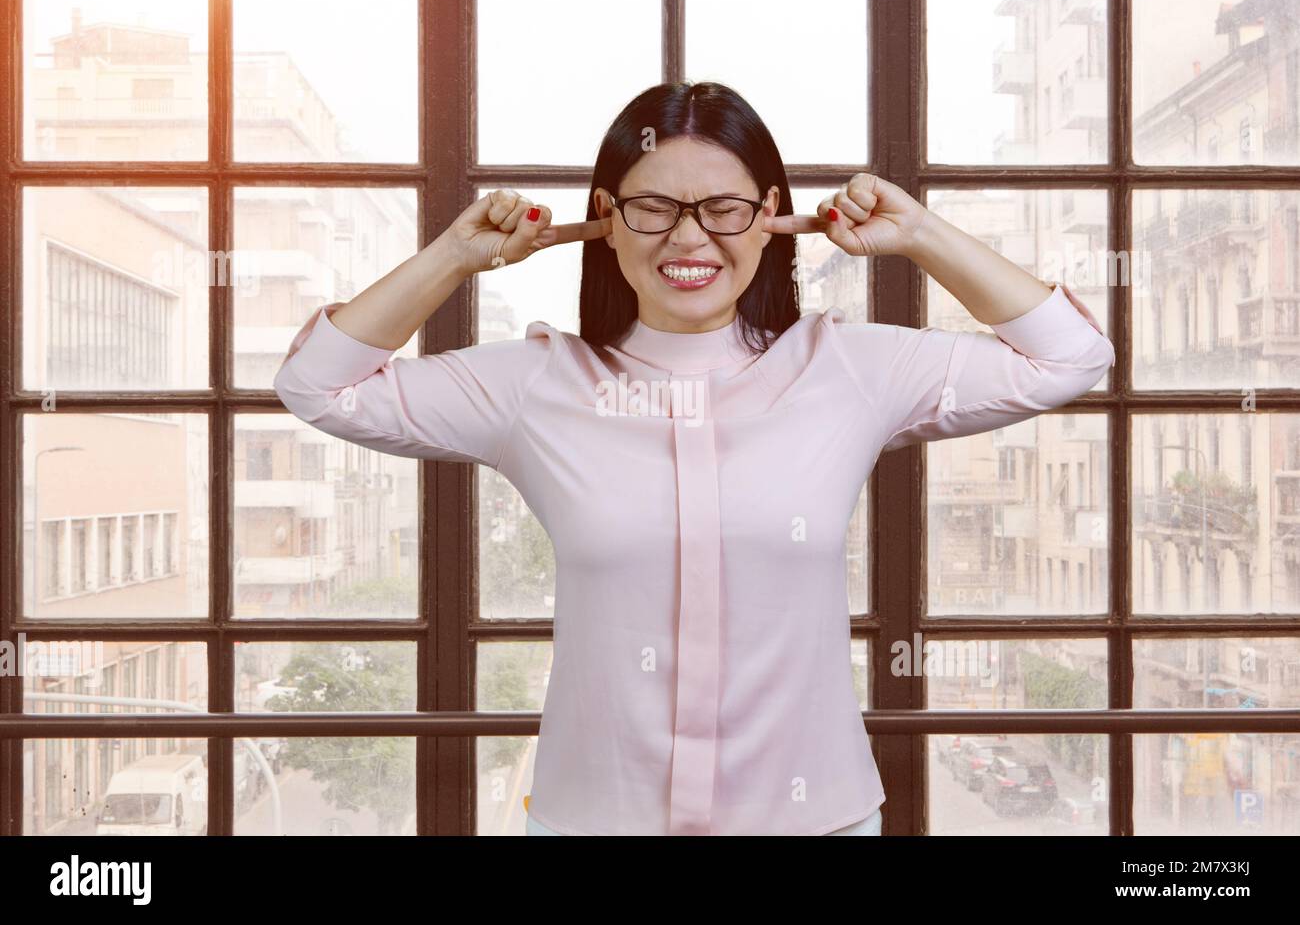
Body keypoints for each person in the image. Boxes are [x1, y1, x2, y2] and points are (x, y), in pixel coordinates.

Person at [274, 81, 1115, 836]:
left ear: (772, 212)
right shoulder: (535, 384)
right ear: (605, 215)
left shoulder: (850, 369)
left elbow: (1070, 358)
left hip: (815, 820)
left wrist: (921, 233)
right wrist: (457, 253)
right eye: (652, 208)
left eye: (723, 207)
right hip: (593, 823)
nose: (689, 238)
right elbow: (320, 386)